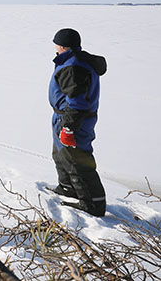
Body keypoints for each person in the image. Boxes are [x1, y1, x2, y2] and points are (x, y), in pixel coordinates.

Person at [47, 28, 107, 217]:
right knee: (61, 155)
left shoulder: (73, 66)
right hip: (64, 116)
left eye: (56, 43)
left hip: (74, 119)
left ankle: (93, 204)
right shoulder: (72, 61)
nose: (55, 47)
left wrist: (68, 127)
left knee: (78, 160)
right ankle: (68, 188)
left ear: (63, 46)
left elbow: (77, 102)